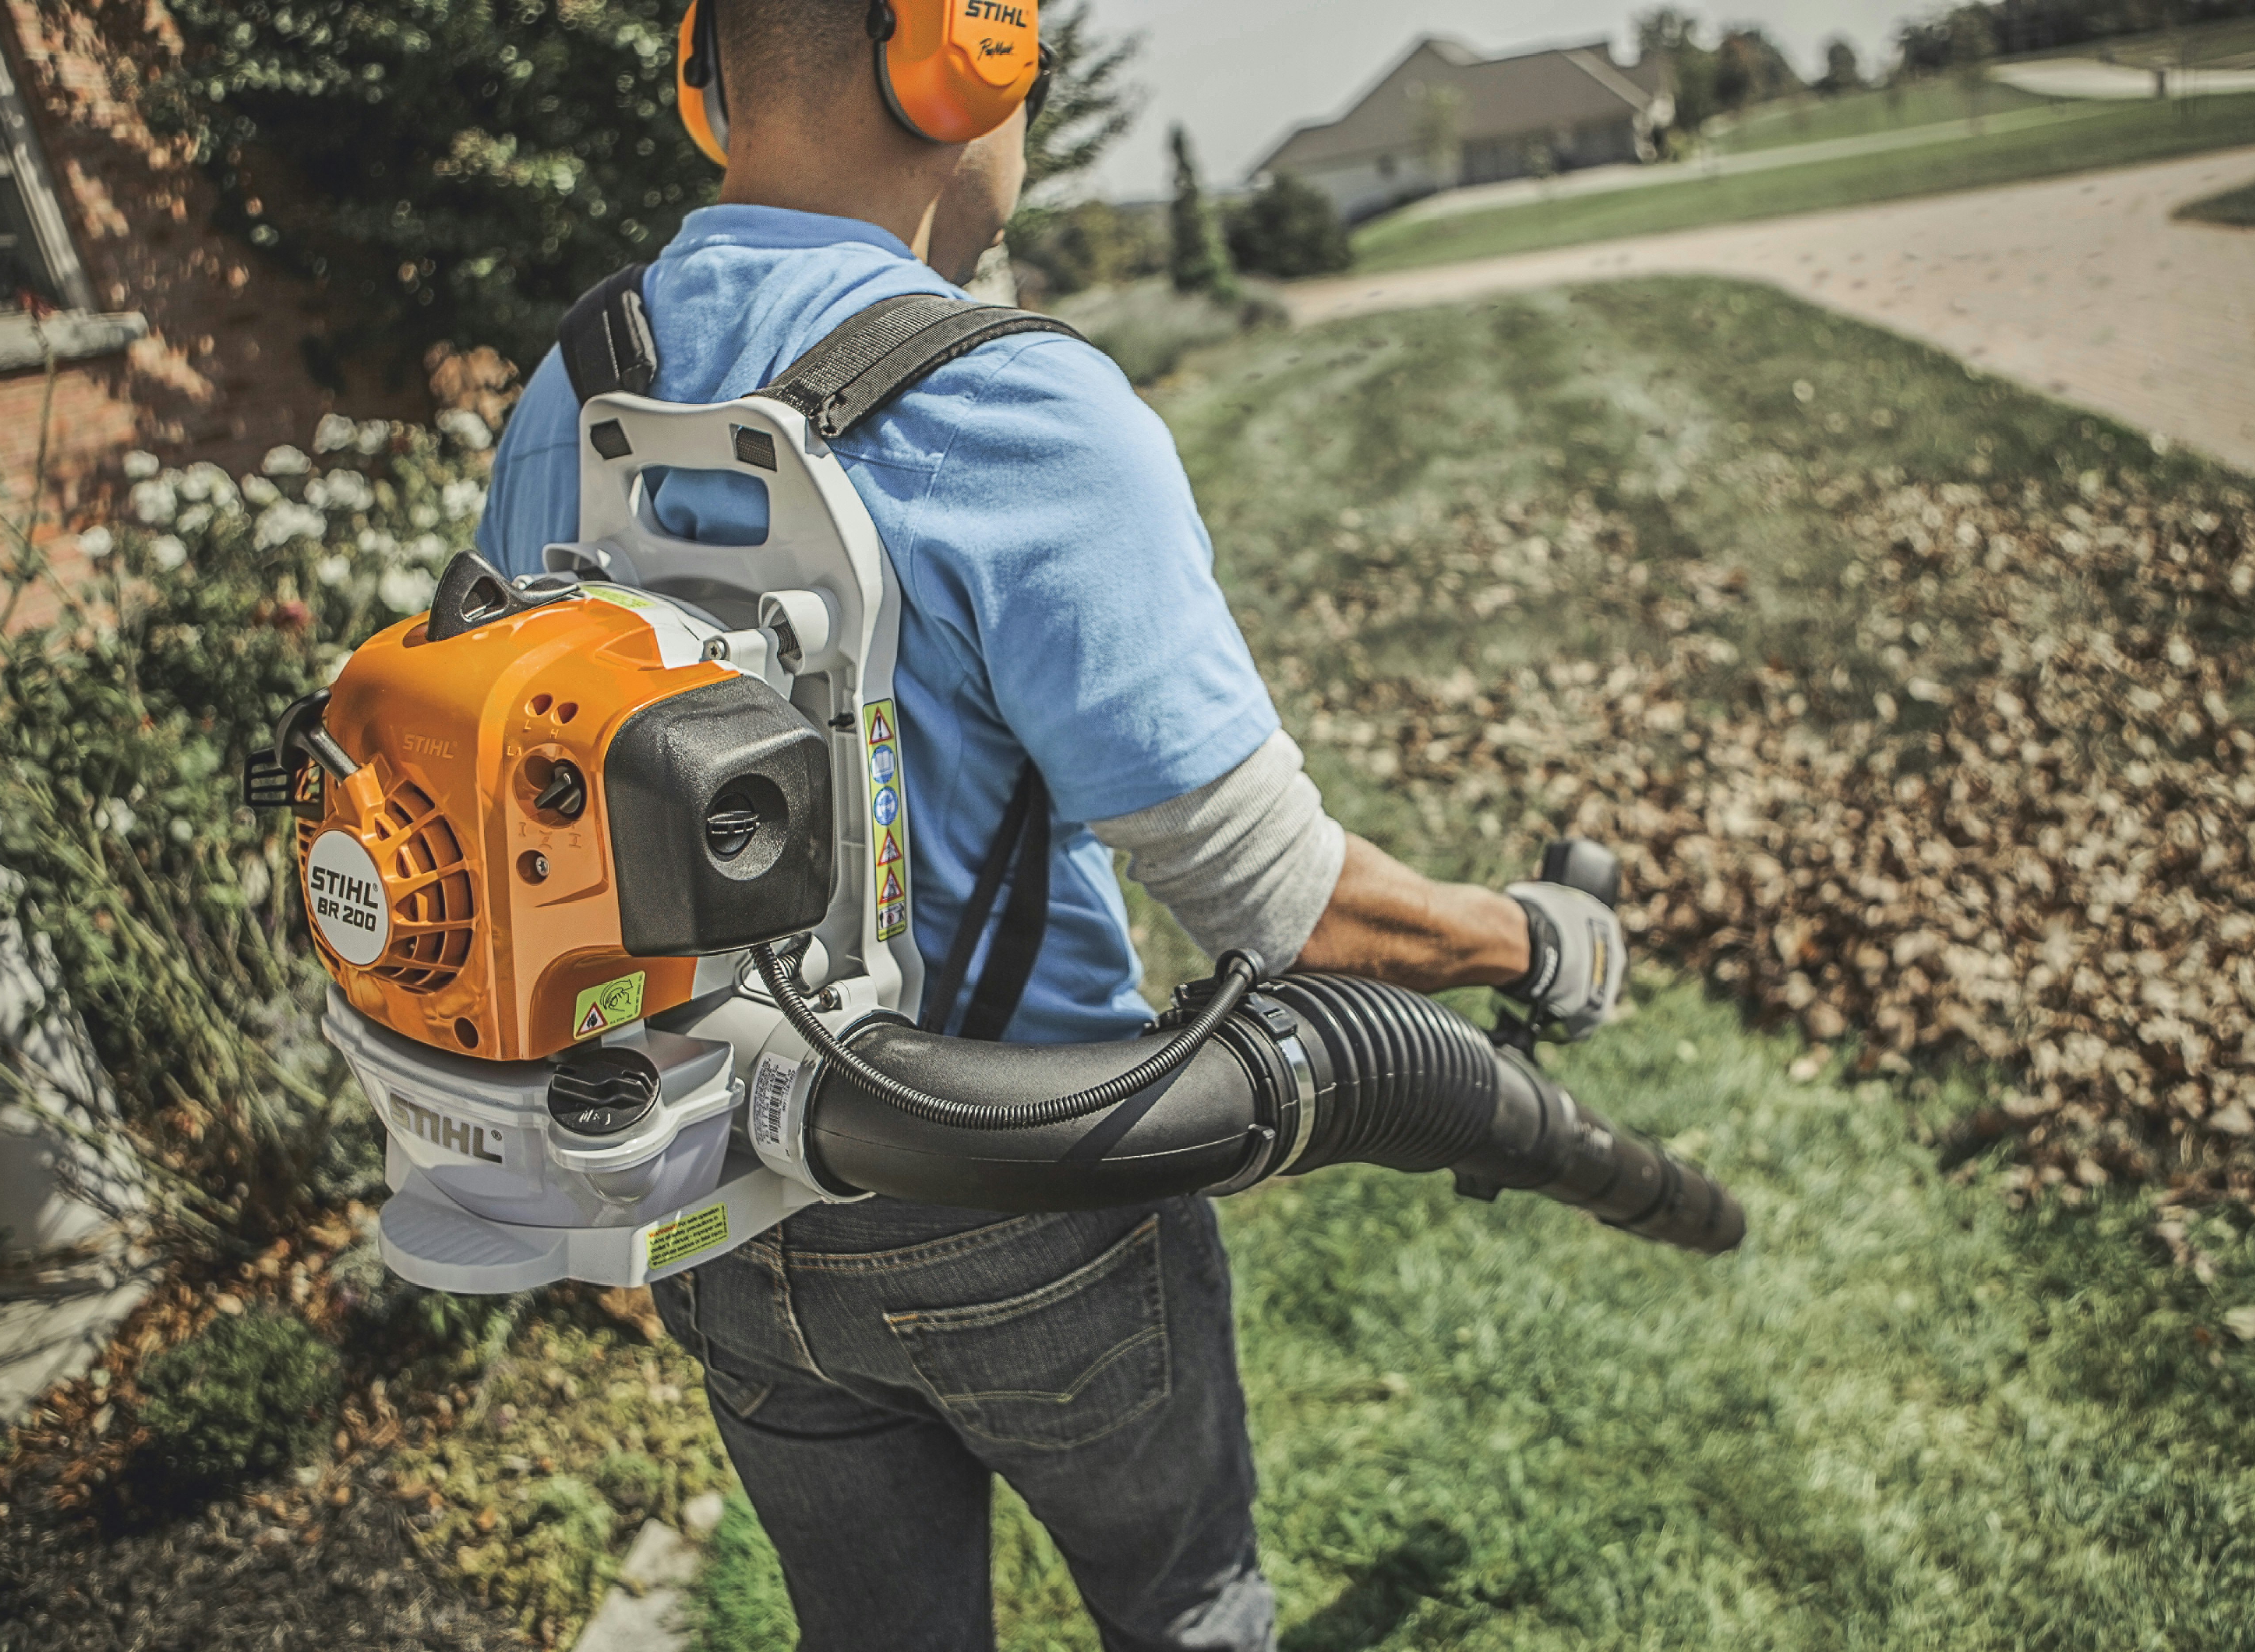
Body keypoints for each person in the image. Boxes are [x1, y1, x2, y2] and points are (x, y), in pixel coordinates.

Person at [479, 5, 1620, 1646]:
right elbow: (1283, 909)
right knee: (1190, 1604)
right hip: (1036, 1197)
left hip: (716, 1206)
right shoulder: (1015, 408)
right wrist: (1543, 940)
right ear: (966, 59)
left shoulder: (567, 391)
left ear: (703, 75)